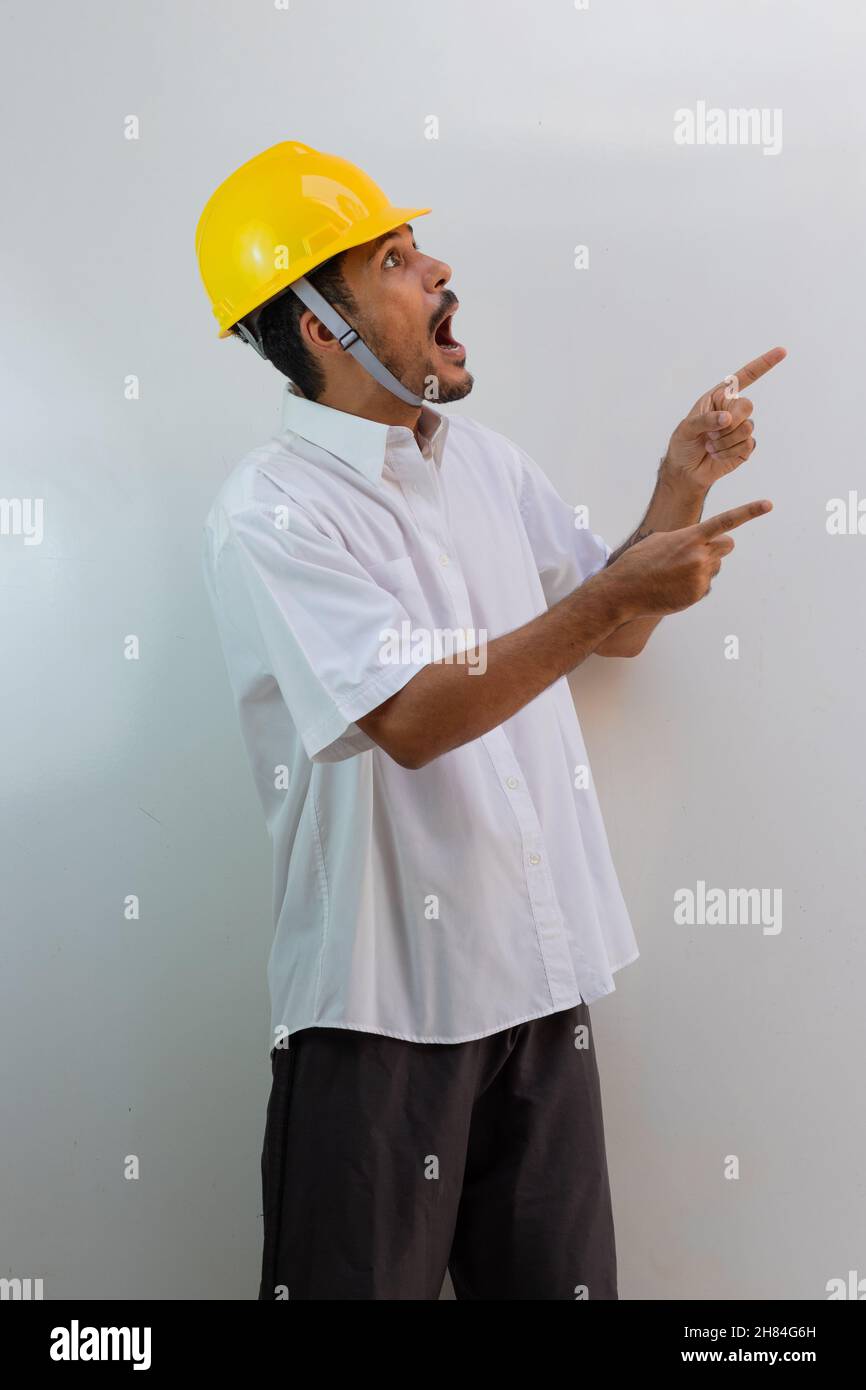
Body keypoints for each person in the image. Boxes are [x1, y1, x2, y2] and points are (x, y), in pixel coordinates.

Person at [195, 140, 783, 1300]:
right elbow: (409, 716)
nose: (440, 270)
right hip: (380, 1012)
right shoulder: (269, 514)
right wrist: (615, 595)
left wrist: (677, 487)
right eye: (399, 259)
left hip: (537, 985)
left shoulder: (484, 467)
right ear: (320, 323)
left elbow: (599, 629)